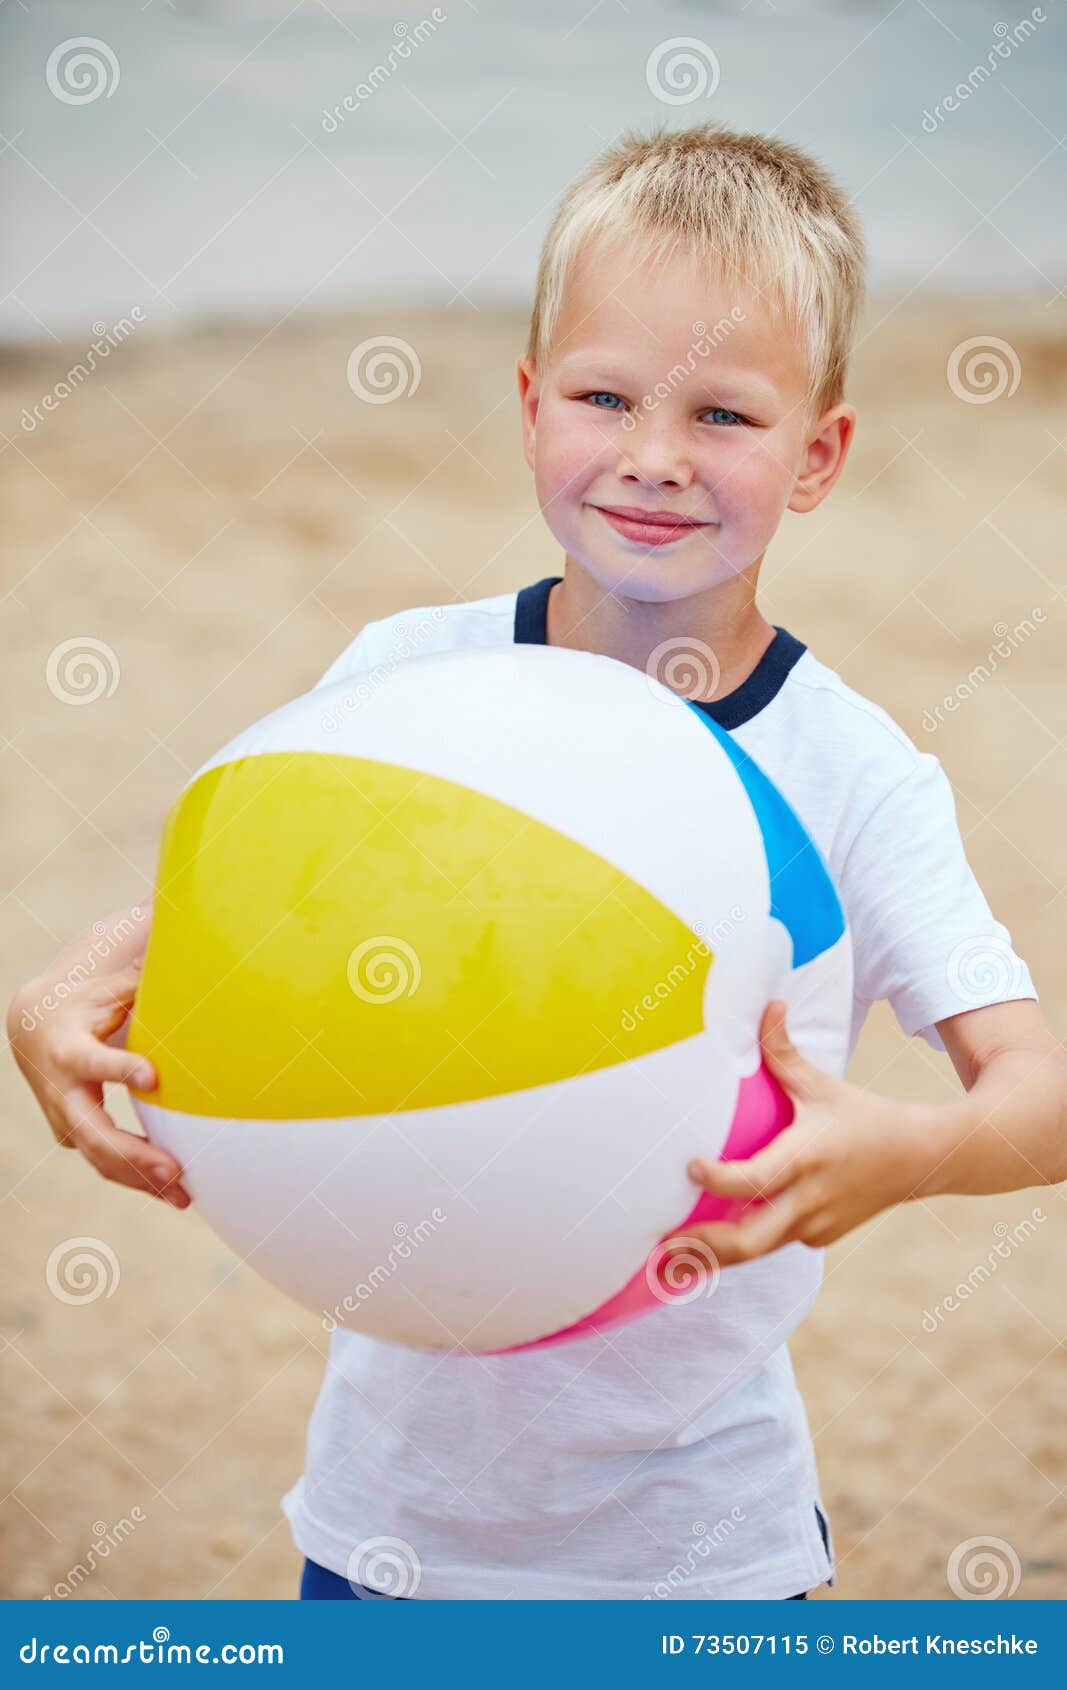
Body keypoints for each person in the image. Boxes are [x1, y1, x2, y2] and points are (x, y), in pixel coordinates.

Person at [8, 121, 1066, 1603]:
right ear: (527, 405)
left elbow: (1035, 1092)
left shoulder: (854, 772)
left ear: (819, 455)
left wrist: (908, 1153)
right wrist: (66, 983)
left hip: (709, 1554)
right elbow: (262, 914)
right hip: (385, 1530)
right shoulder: (408, 682)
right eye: (604, 396)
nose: (652, 456)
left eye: (723, 414)